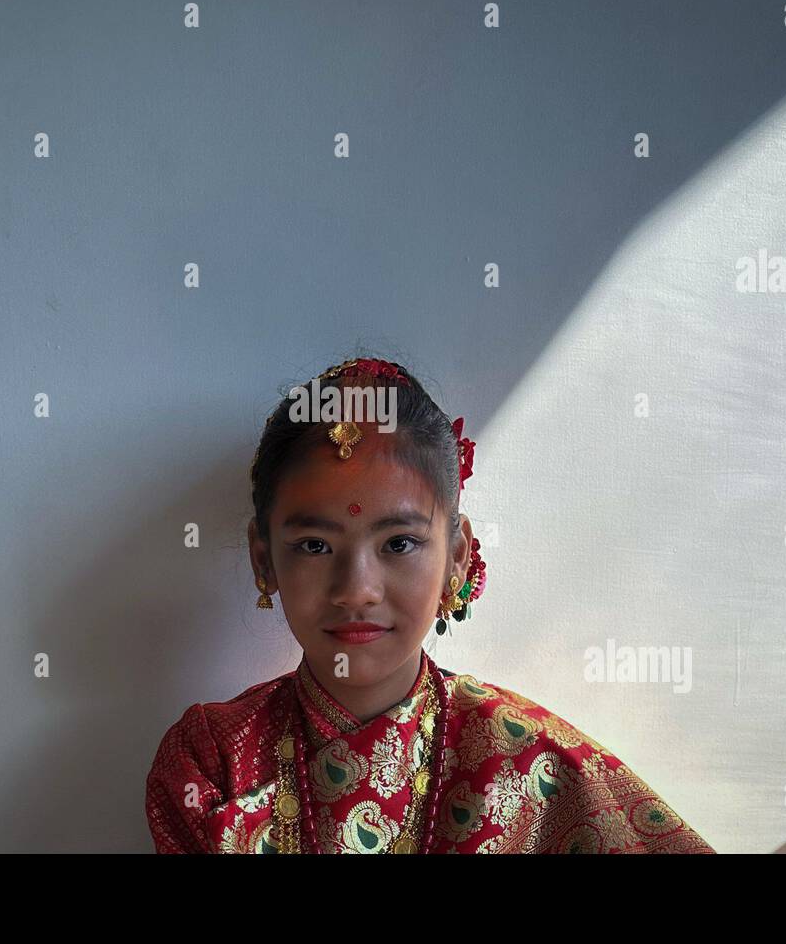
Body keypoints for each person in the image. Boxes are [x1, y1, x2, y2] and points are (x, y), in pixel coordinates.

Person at [145, 356, 715, 853]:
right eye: (315, 546)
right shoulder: (213, 763)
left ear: (457, 557)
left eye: (399, 543)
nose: (357, 589)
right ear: (264, 559)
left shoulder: (535, 767)